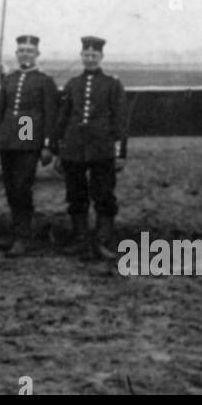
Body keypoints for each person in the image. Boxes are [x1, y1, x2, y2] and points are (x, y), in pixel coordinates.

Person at [53, 36, 128, 260]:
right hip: (74, 148)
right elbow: (62, 119)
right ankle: (80, 240)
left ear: (101, 57)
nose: (90, 59)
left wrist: (120, 153)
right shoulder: (73, 84)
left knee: (104, 195)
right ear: (81, 57)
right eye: (86, 55)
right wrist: (59, 150)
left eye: (94, 55)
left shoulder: (112, 84)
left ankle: (102, 242)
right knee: (76, 195)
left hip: (101, 148)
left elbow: (121, 121)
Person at [0, 34, 58, 257]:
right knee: (10, 188)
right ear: (16, 54)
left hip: (27, 134)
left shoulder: (44, 80)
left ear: (37, 54)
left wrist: (47, 145)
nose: (25, 54)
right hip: (7, 137)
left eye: (29, 51)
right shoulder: (9, 79)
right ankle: (18, 231)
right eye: (21, 51)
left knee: (21, 186)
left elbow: (49, 114)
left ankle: (23, 236)